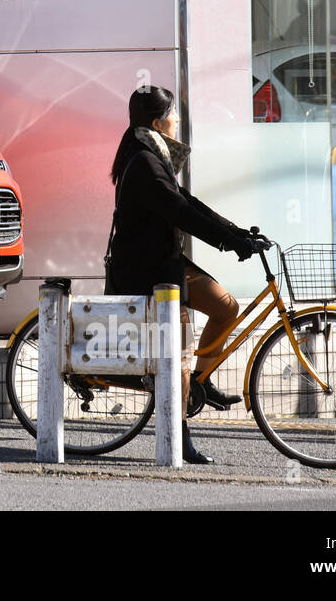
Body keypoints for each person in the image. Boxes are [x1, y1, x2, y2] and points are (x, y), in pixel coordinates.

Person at [106, 85, 264, 464]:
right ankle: (178, 435)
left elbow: (188, 203)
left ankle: (199, 382)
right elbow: (180, 211)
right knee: (177, 355)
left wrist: (237, 232)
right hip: (148, 273)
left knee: (226, 307)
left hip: (167, 261)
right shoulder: (144, 161)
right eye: (173, 116)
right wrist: (228, 242)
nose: (178, 122)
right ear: (159, 123)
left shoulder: (154, 155)